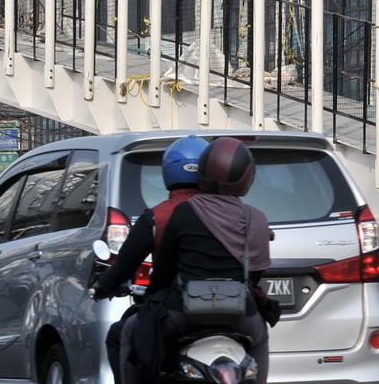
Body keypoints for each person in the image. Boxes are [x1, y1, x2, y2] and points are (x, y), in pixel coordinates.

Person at [123, 138, 276, 384]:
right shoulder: (255, 217)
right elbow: (256, 273)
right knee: (260, 337)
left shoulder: (185, 211)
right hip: (239, 315)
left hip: (182, 315)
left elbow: (164, 268)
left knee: (132, 329)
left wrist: (153, 296)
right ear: (247, 177)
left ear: (203, 171)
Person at [93, 135, 208, 384]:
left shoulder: (158, 216)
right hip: (236, 310)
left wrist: (102, 287)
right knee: (258, 336)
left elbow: (124, 265)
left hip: (177, 310)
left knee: (120, 334)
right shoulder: (232, 211)